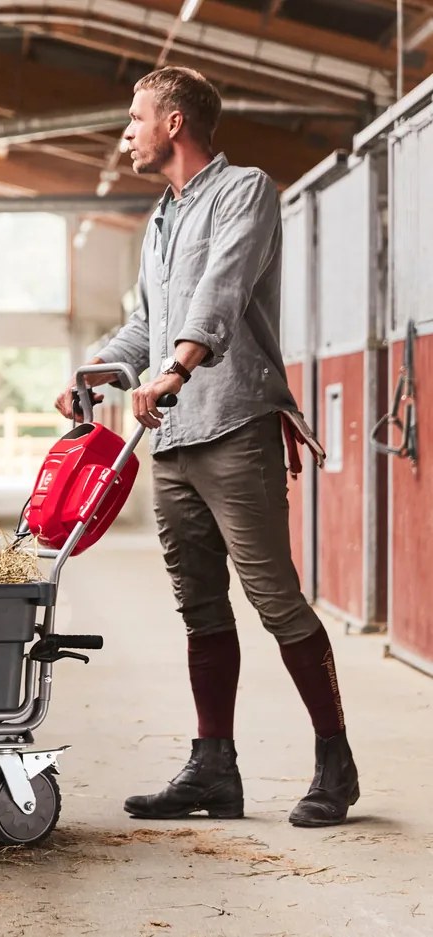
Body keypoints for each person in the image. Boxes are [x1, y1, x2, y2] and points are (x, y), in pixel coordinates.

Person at [54, 66, 358, 828]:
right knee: (199, 607)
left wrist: (174, 370)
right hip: (170, 439)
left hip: (232, 424)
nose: (126, 133)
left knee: (275, 598)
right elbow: (144, 326)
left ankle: (336, 760)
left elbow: (218, 295)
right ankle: (213, 767)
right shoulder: (159, 221)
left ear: (175, 123)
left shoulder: (245, 191)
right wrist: (92, 373)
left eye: (135, 117)